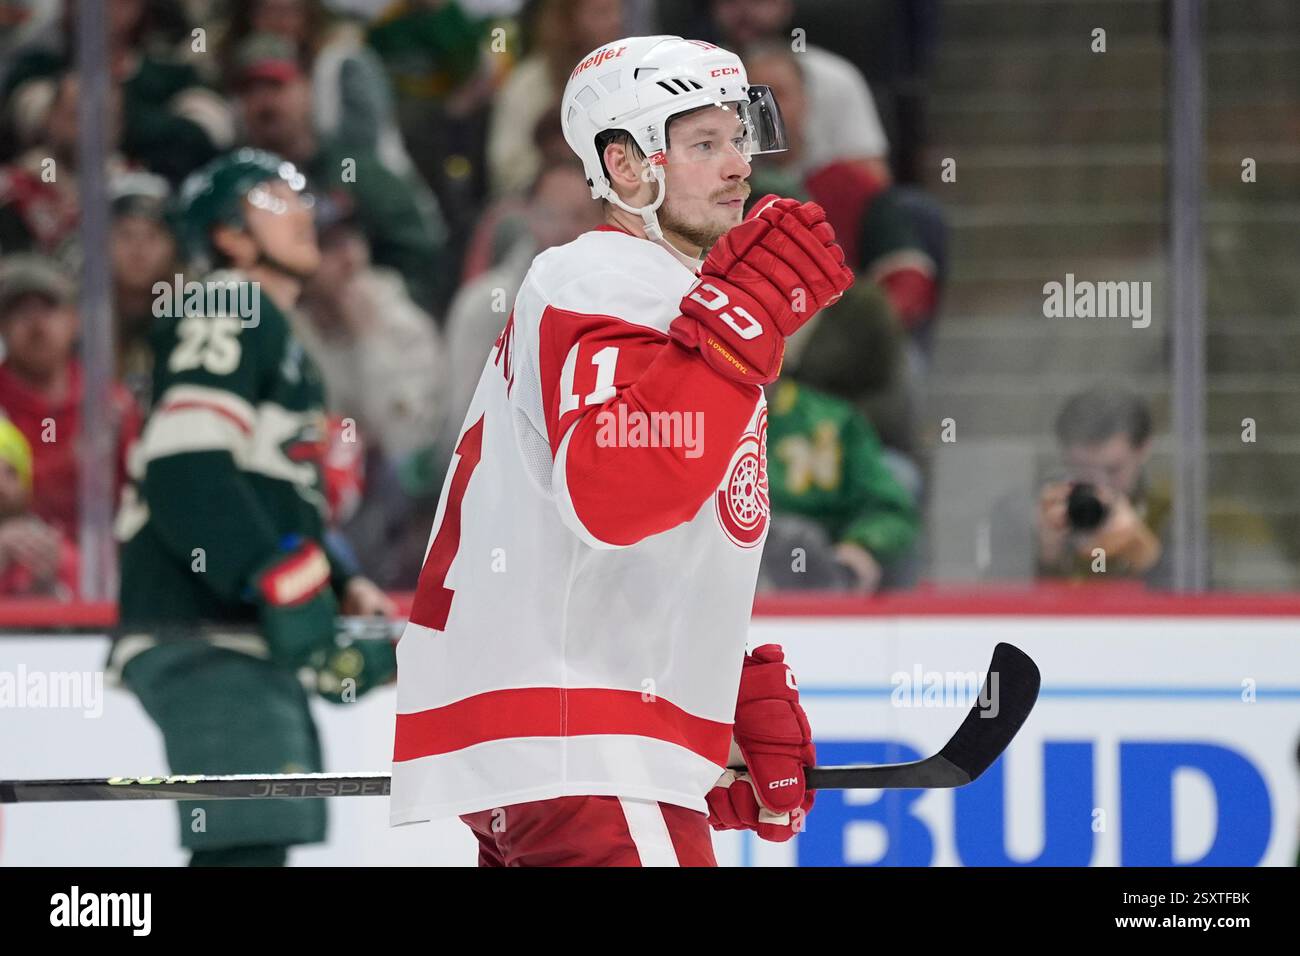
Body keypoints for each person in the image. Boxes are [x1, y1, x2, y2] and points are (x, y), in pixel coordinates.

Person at [391, 35, 853, 866]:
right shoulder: (608, 279)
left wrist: (708, 694)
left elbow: (627, 536)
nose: (738, 165)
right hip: (581, 737)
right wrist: (744, 322)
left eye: (739, 138)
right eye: (704, 144)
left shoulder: (660, 294)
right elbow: (613, 491)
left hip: (558, 737)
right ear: (628, 165)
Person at [111, 149, 394, 867]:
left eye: (300, 196)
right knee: (248, 842)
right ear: (231, 236)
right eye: (272, 198)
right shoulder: (226, 302)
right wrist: (280, 579)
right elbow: (185, 466)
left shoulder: (276, 332)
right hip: (204, 629)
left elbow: (264, 492)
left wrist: (335, 579)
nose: (300, 210)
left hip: (235, 632)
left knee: (259, 840)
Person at [0, 255, 139, 540]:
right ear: (2, 326)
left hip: (105, 558)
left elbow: (139, 495)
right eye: (20, 311)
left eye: (48, 308)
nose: (36, 324)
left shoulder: (112, 403)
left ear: (74, 320)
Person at [987, 386, 1170, 586]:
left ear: (1143, 449)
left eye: (1112, 470)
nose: (1098, 485)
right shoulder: (1023, 512)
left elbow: (1192, 596)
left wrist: (1146, 556)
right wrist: (1043, 557)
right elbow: (994, 596)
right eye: (1081, 468)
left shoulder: (1170, 515)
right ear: (1063, 452)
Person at [0, 414, 77, 598]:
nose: (1, 483)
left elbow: (85, 608)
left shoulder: (57, 553)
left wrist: (46, 585)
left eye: (11, 472)